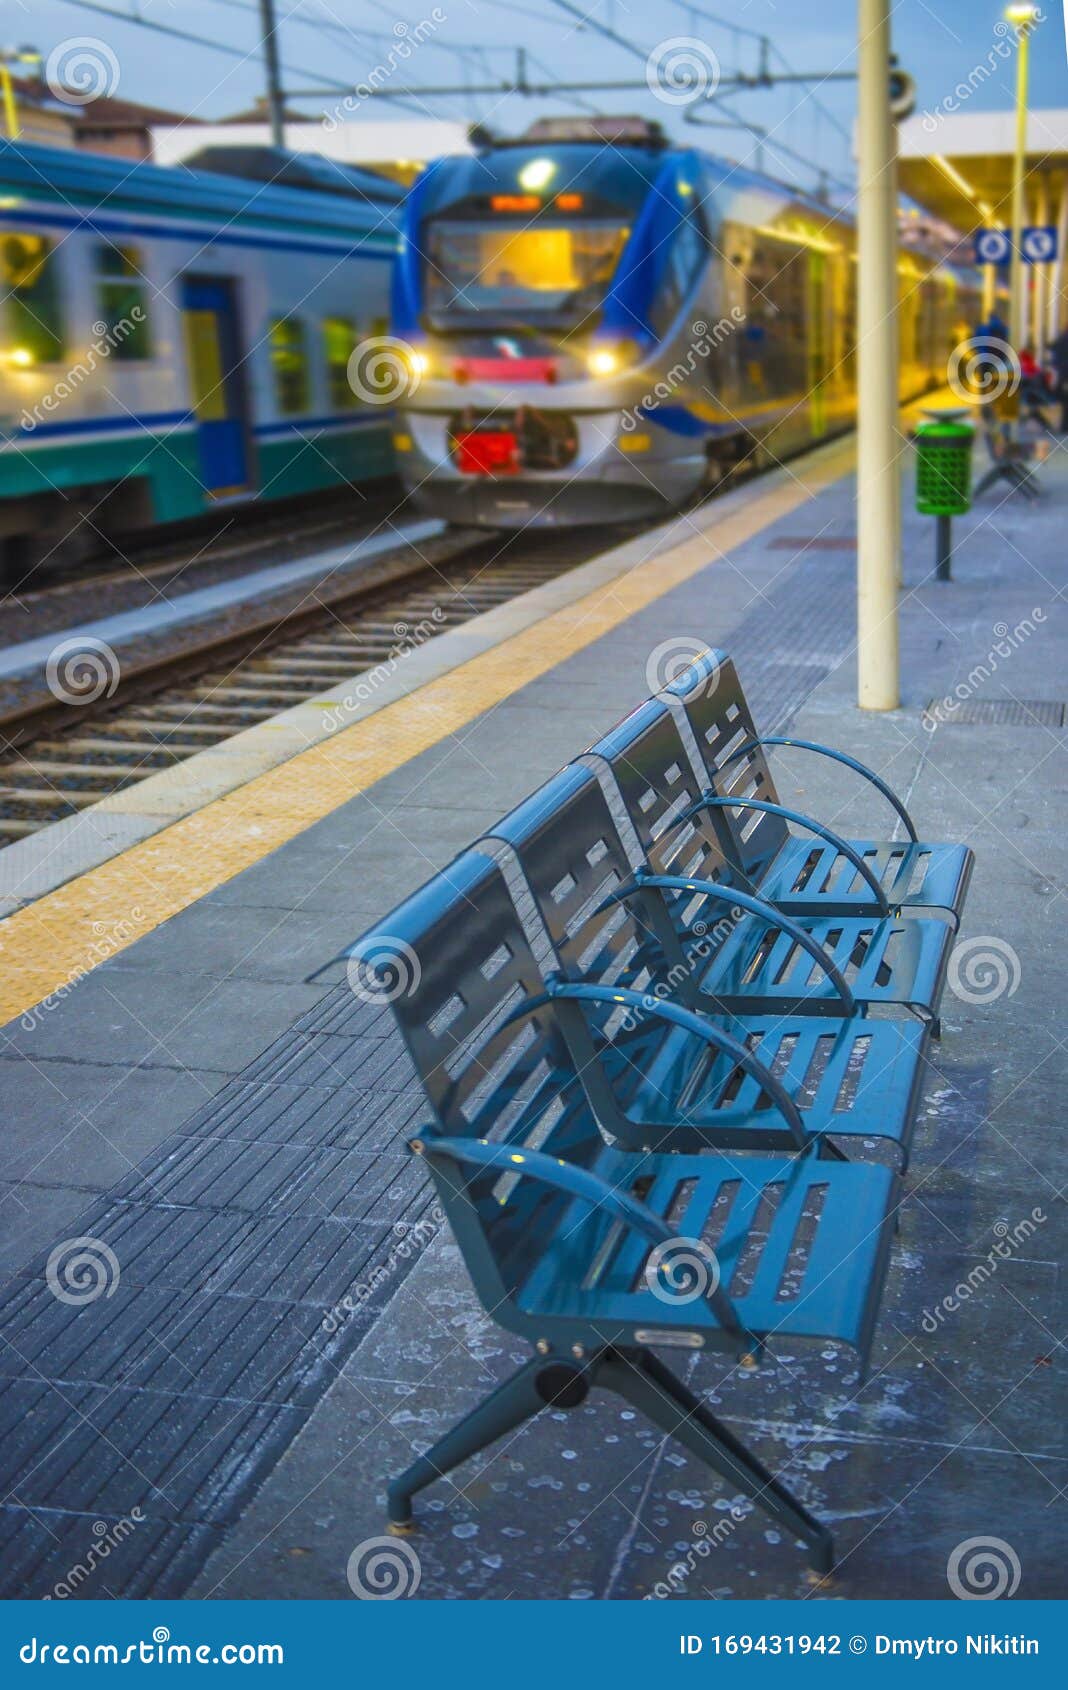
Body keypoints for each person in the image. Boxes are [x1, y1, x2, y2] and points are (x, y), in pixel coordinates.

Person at [1049, 324, 1068, 432]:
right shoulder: (1063, 340)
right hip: (1065, 375)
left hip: (1063, 375)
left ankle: (1064, 425)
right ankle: (1064, 425)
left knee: (1064, 402)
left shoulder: (1061, 339)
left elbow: (1054, 357)